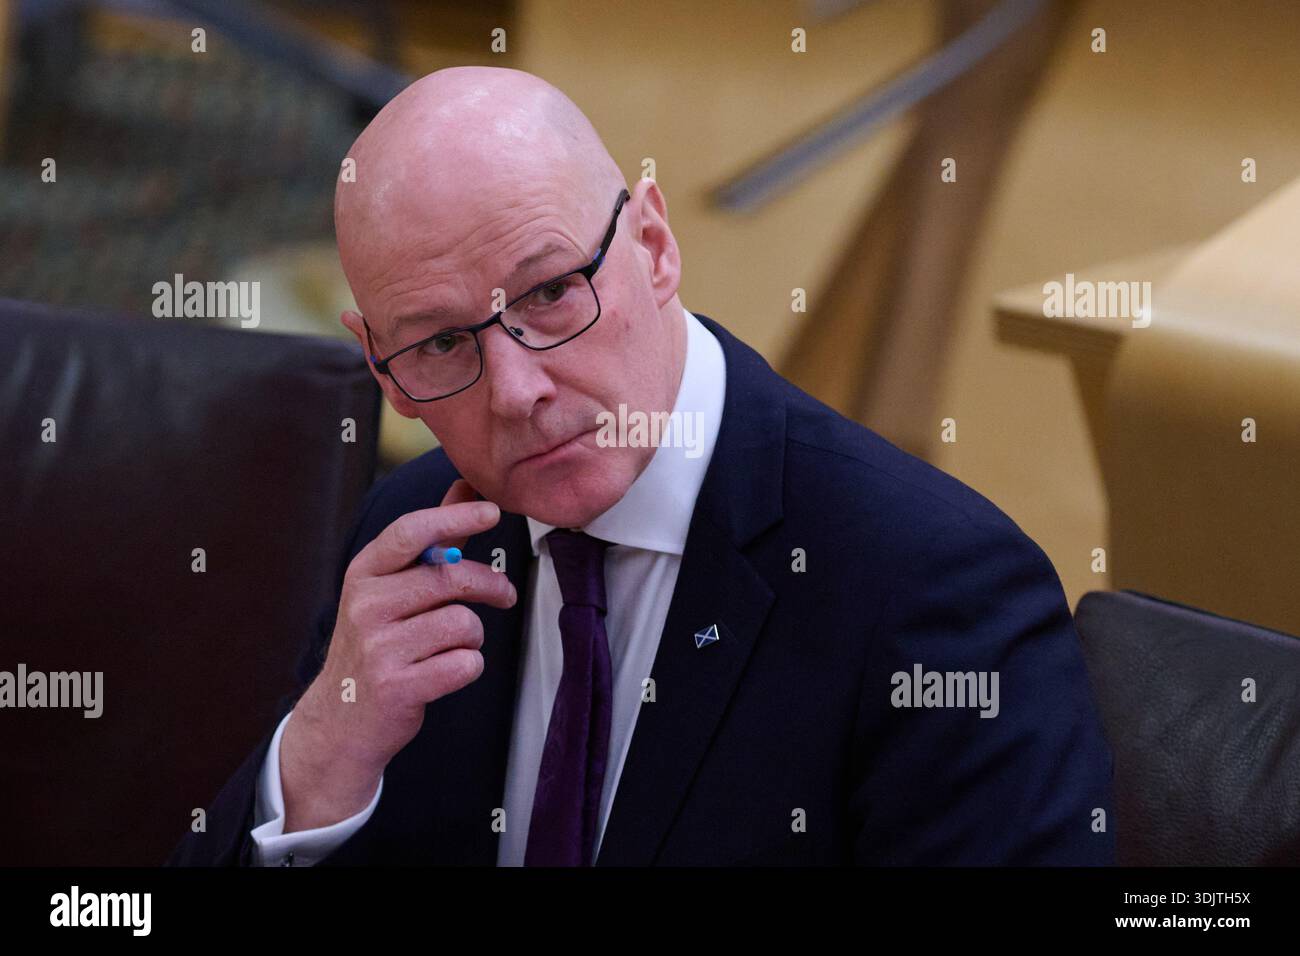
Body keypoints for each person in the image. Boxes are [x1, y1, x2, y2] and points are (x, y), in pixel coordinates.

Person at [168, 66, 1114, 867]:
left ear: (656, 248)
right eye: (443, 345)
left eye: (548, 292)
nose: (515, 390)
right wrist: (317, 766)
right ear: (384, 373)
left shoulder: (932, 588)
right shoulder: (414, 542)